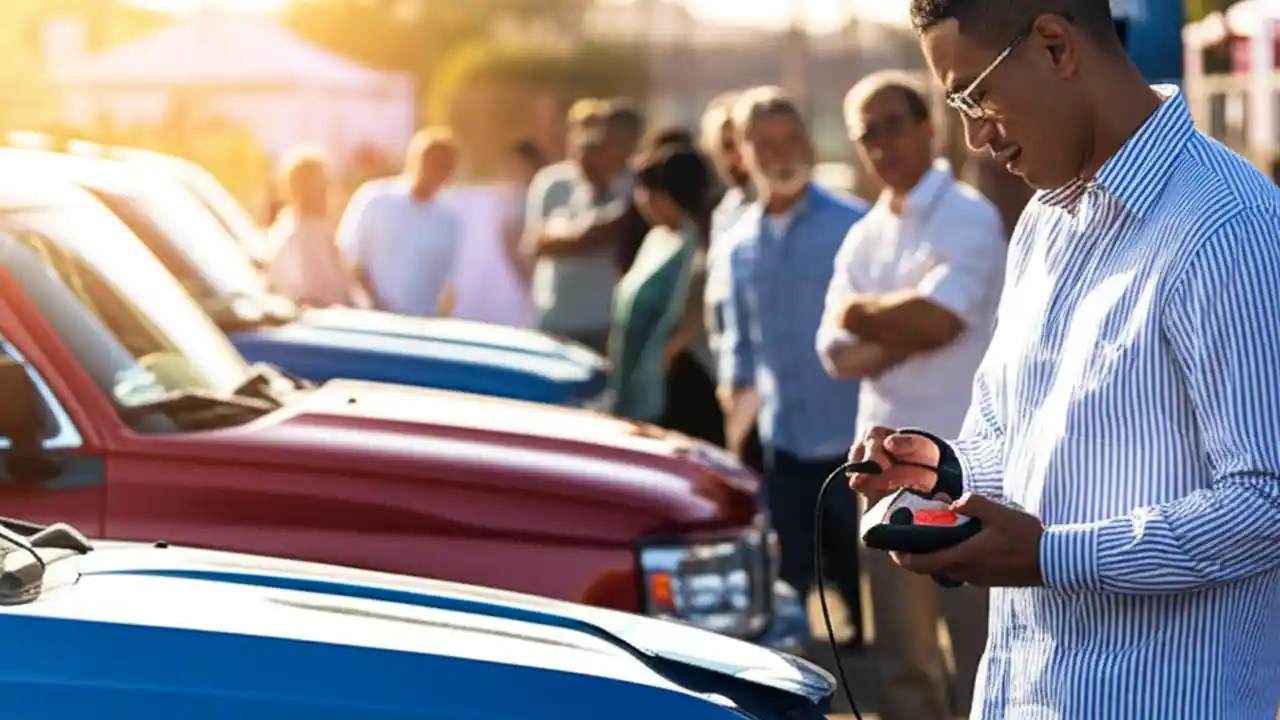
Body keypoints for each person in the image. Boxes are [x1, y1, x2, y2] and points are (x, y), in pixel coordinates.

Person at [847, 1, 1280, 718]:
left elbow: (1268, 500)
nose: (973, 134)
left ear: (1053, 46)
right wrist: (941, 469)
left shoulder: (1229, 229)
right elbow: (1014, 444)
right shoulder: (1044, 227)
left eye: (974, 94)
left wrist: (1051, 556)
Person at [817, 72, 1006, 719]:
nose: (881, 143)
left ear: (928, 125)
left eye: (892, 125)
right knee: (902, 668)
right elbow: (832, 352)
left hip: (968, 475)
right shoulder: (864, 234)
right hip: (883, 478)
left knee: (987, 659)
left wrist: (868, 316)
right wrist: (903, 325)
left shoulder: (969, 217)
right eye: (866, 134)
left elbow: (941, 322)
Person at [718, 87, 867, 638]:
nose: (781, 154)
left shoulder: (855, 226)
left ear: (807, 142)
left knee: (864, 581)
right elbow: (739, 342)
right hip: (783, 439)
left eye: (790, 139)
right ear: (742, 152)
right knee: (789, 584)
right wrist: (736, 418)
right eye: (765, 143)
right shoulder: (739, 244)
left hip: (854, 437)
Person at [609, 143, 721, 446]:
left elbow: (691, 314)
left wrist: (668, 351)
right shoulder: (658, 239)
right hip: (638, 379)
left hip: (679, 386)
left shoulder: (695, 246)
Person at [525, 99, 635, 354]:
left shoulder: (631, 184)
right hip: (556, 320)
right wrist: (588, 234)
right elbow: (539, 243)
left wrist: (571, 236)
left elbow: (621, 232)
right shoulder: (552, 183)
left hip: (606, 323)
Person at [337, 127, 463, 317]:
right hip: (368, 321)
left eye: (444, 167)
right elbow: (350, 257)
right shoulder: (374, 198)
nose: (436, 172)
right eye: (432, 163)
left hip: (420, 327)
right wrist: (375, 305)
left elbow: (449, 284)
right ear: (415, 160)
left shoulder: (449, 221)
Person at [700, 89, 762, 469]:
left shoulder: (769, 208)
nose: (733, 156)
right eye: (724, 146)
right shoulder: (725, 211)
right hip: (729, 374)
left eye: (738, 143)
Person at [265, 146, 360, 308]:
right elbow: (309, 299)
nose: (327, 191)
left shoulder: (323, 231)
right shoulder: (292, 237)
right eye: (320, 183)